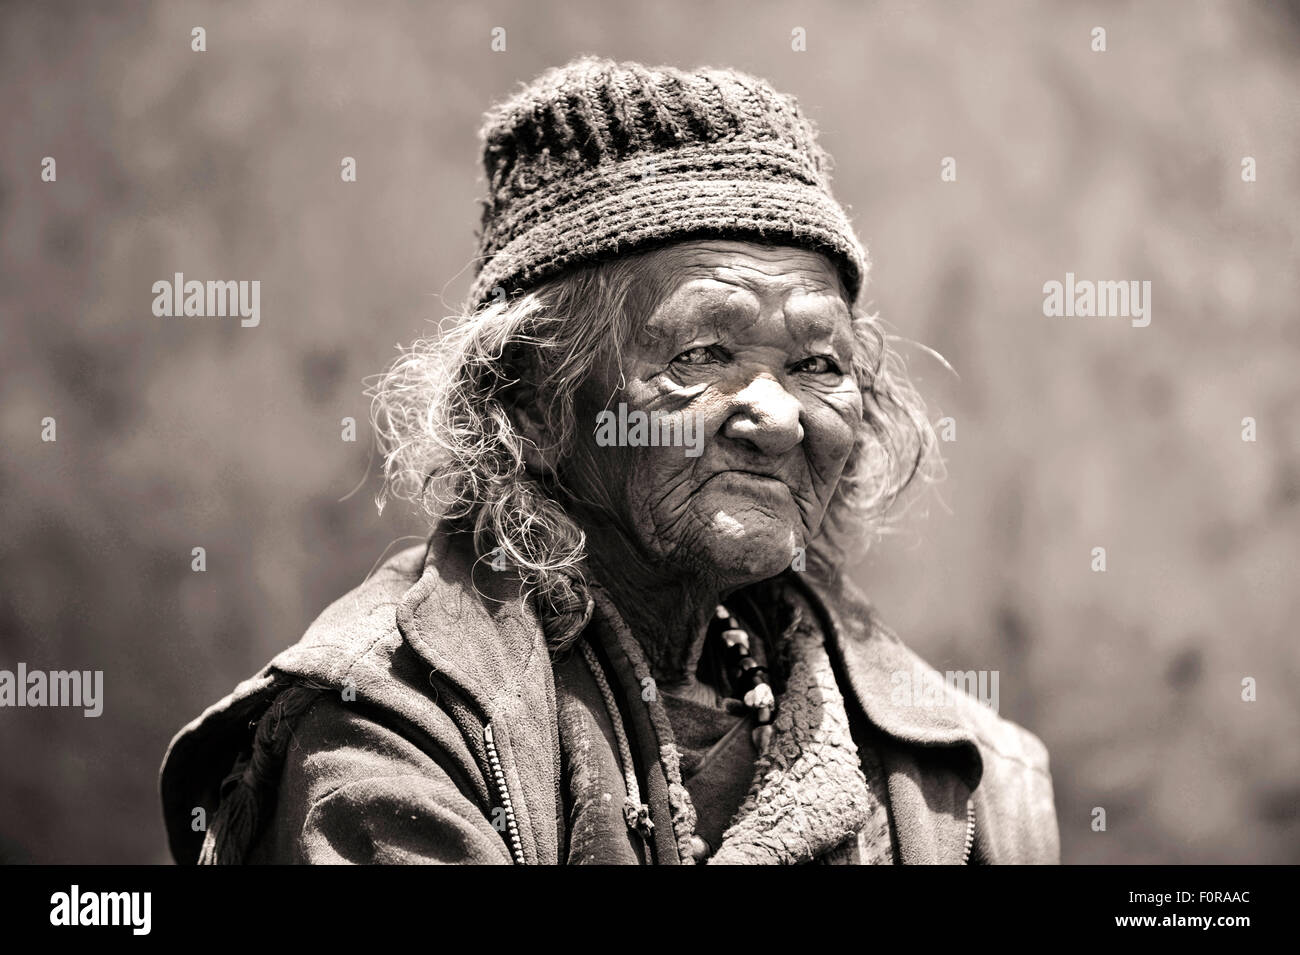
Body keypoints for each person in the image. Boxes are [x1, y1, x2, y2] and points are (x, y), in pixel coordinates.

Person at [160, 56, 1060, 864]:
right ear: (531, 403)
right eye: (701, 355)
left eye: (818, 364)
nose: (778, 417)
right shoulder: (390, 730)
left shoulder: (965, 780)